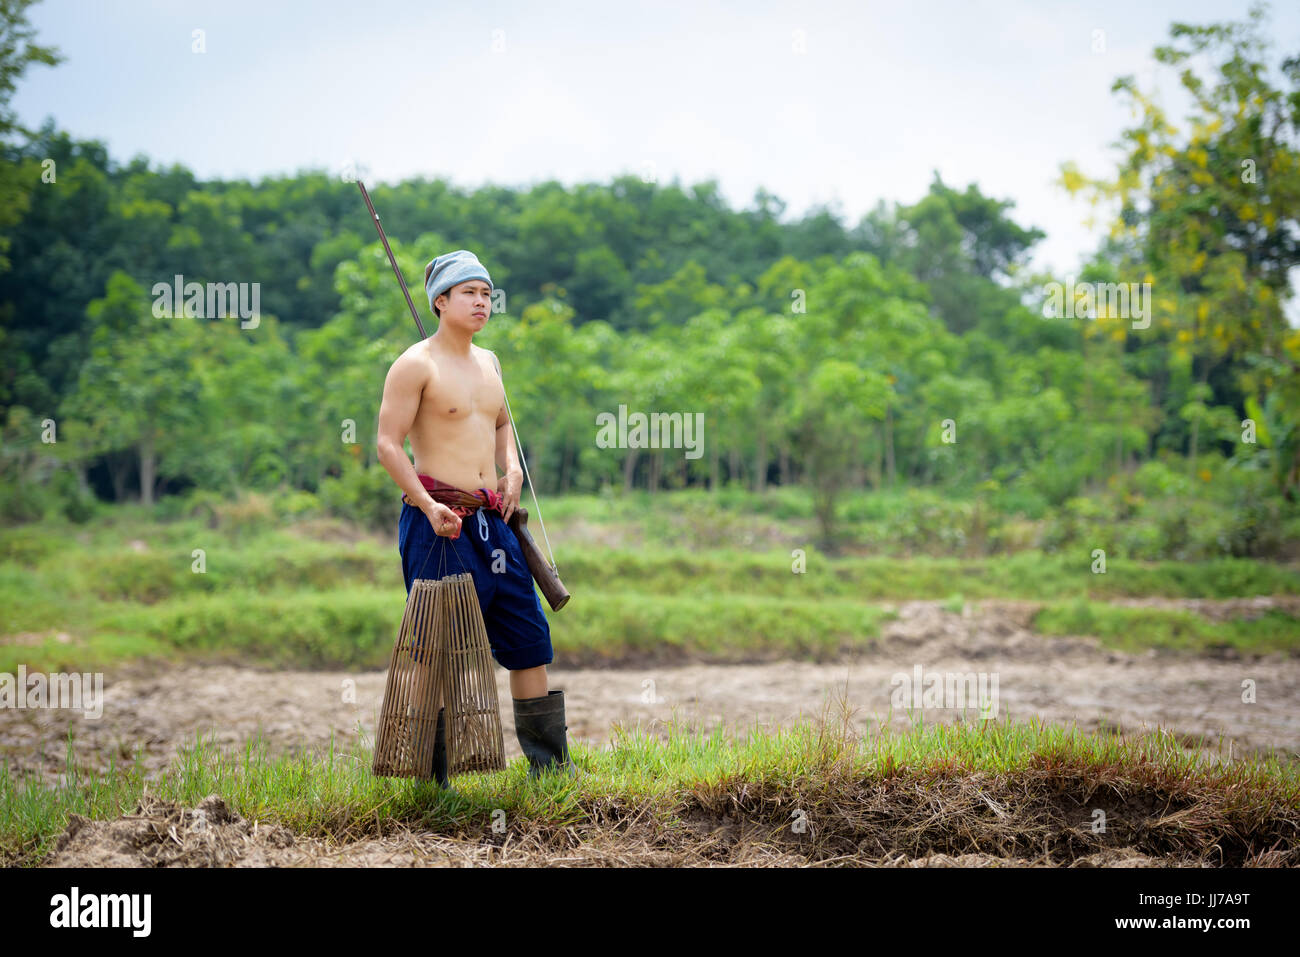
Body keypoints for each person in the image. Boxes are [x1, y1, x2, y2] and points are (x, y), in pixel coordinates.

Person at [375, 249, 575, 786]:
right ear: (441, 301)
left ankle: (549, 770)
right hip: (438, 526)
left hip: (494, 525)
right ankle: (429, 781)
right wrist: (425, 502)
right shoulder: (414, 364)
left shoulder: (490, 363)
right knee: (435, 651)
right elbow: (387, 445)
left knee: (529, 638)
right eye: (469, 293)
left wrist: (510, 471)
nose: (482, 302)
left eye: (486, 293)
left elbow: (503, 425)